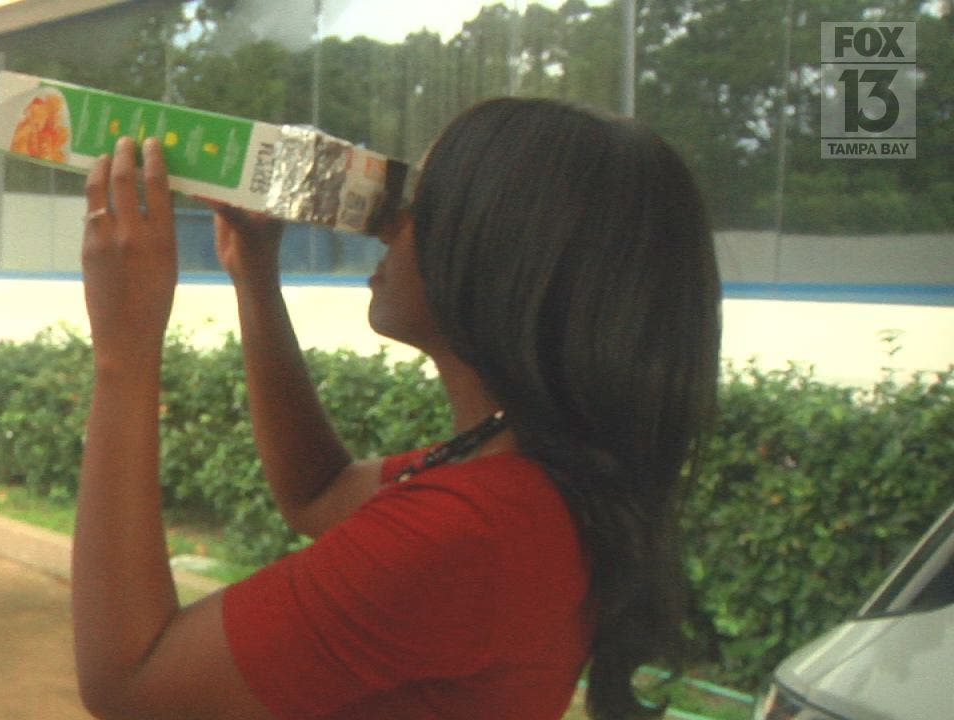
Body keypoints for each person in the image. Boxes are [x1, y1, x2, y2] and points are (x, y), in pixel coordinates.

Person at [70, 97, 721, 720]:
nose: (389, 226)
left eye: (421, 208)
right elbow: (316, 492)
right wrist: (254, 271)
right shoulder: (525, 481)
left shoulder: (471, 534)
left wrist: (124, 349)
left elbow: (130, 680)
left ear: (493, 259)